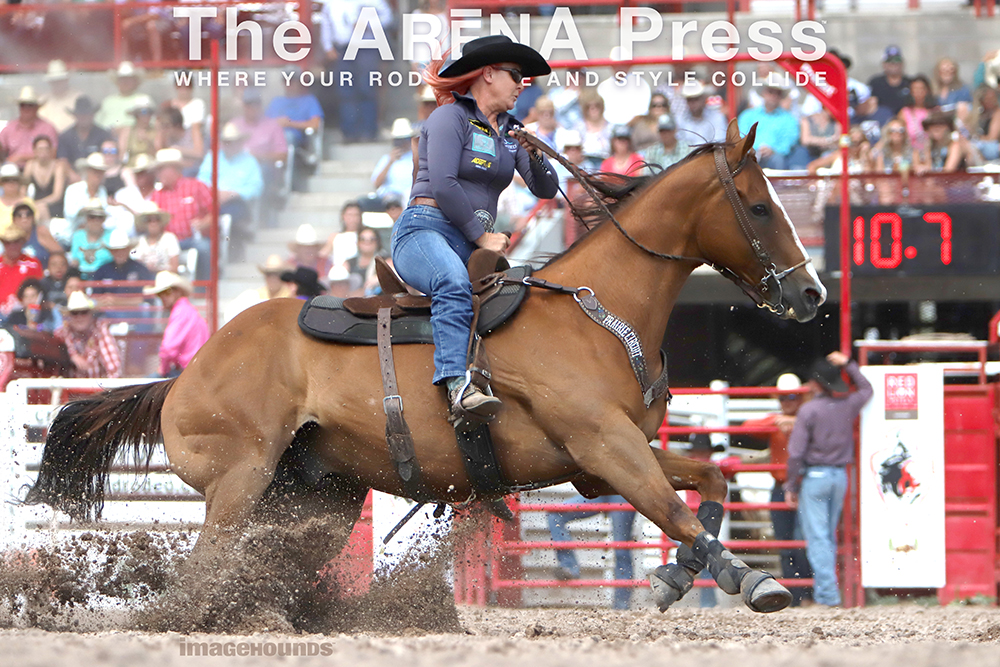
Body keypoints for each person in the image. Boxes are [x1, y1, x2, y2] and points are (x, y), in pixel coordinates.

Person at [395, 34, 558, 425]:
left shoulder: (509, 131)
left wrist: (534, 153)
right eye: (515, 74)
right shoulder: (449, 117)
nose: (523, 84)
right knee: (451, 282)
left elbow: (546, 189)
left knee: (517, 300)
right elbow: (444, 184)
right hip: (424, 230)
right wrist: (483, 236)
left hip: (469, 242)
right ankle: (456, 386)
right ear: (488, 74)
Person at [785, 351, 873, 608]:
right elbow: (867, 389)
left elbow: (796, 453)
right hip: (839, 476)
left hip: (815, 477)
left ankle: (828, 596)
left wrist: (791, 485)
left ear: (815, 384)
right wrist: (849, 364)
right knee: (829, 537)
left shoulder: (808, 410)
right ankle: (829, 592)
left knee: (818, 538)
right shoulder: (847, 405)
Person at [741, 373, 813, 606]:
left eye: (791, 397)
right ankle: (797, 595)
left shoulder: (809, 418)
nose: (787, 401)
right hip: (784, 485)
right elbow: (747, 427)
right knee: (785, 543)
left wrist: (795, 423)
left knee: (802, 543)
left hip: (805, 485)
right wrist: (777, 421)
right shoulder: (779, 420)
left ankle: (808, 592)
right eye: (783, 398)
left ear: (800, 398)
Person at [547, 494, 636, 609]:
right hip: (601, 491)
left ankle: (622, 606)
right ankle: (568, 566)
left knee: (621, 547)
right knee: (555, 514)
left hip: (622, 492)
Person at [196, 122, 263, 261]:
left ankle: (229, 252)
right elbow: (201, 178)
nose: (229, 145)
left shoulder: (249, 161)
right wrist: (213, 193)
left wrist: (233, 193)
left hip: (235, 202)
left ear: (240, 142)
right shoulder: (212, 157)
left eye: (232, 142)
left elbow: (256, 187)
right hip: (211, 199)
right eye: (226, 142)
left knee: (231, 214)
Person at [150, 148, 212, 280]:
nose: (158, 173)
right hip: (166, 241)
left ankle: (204, 290)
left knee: (204, 247)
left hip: (191, 239)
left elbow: (214, 213)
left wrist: (203, 223)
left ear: (174, 169)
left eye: (161, 169)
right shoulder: (157, 195)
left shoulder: (196, 186)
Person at [143, 271, 209, 377]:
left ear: (178, 292)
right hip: (195, 369)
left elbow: (168, 348)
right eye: (160, 294)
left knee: (146, 385)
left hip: (186, 371)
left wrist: (163, 369)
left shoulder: (180, 312)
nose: (163, 297)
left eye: (167, 292)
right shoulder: (189, 310)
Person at [53, 290, 122, 379]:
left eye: (84, 312)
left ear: (91, 314)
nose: (79, 317)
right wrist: (70, 356)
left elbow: (114, 369)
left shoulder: (100, 331)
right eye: (75, 313)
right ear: (69, 316)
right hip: (70, 390)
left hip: (97, 389)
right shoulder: (61, 334)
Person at [737, 84, 800, 170]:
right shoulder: (748, 115)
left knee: (778, 160)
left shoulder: (789, 119)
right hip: (749, 155)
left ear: (781, 97)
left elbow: (788, 141)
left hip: (774, 157)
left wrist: (773, 150)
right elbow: (741, 136)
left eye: (777, 93)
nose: (774, 96)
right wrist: (753, 150)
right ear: (764, 93)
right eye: (770, 92)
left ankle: (776, 183)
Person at [0, 87, 59, 168]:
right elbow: (1, 149)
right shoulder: (9, 128)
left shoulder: (47, 128)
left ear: (37, 107)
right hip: (13, 172)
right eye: (23, 105)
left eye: (30, 105)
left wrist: (22, 157)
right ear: (19, 107)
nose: (26, 109)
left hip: (40, 170)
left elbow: (52, 154)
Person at [57, 96, 114, 172]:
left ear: (93, 115)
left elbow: (109, 158)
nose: (83, 117)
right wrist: (74, 177)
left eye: (87, 114)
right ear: (75, 116)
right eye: (80, 114)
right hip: (73, 177)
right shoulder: (65, 137)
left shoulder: (103, 135)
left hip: (98, 174)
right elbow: (62, 160)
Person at [0, 223, 45, 317]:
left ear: (22, 242)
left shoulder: (32, 263)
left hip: (24, 313)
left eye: (16, 242)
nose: (12, 246)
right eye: (8, 242)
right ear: (3, 243)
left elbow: (39, 291)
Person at [22, 135, 68, 221]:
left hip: (54, 206)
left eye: (46, 148)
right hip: (35, 205)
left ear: (51, 150)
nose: (43, 152)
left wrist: (38, 204)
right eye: (40, 149)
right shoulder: (30, 165)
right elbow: (23, 189)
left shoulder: (58, 166)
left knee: (41, 209)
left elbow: (57, 195)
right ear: (34, 151)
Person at [95, 62, 148, 137]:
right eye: (122, 79)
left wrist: (125, 131)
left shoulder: (144, 100)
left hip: (134, 141)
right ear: (117, 81)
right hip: (107, 139)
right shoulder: (108, 101)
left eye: (128, 79)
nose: (125, 82)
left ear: (135, 81)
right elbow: (97, 123)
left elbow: (149, 124)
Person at [373, 119, 416, 202]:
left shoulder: (416, 157)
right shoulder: (387, 159)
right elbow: (377, 184)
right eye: (398, 140)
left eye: (404, 139)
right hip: (390, 197)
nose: (402, 143)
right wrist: (390, 161)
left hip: (410, 196)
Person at [10, 199, 62, 268]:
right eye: (19, 215)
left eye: (28, 214)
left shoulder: (40, 232)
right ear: (14, 220)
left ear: (33, 218)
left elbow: (59, 253)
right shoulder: (9, 237)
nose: (24, 218)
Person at [131, 202, 181, 274]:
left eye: (156, 219)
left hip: (166, 278)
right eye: (149, 220)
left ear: (160, 222)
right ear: (145, 223)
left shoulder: (169, 238)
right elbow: (137, 266)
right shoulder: (140, 241)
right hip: (146, 278)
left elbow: (174, 268)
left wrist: (157, 269)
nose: (153, 223)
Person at [69, 200, 113, 278]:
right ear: (86, 218)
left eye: (99, 217)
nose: (96, 221)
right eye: (92, 217)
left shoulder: (111, 235)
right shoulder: (78, 236)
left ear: (104, 219)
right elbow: (74, 259)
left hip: (104, 277)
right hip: (82, 277)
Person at [675, 80, 728, 144]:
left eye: (696, 99)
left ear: (703, 98)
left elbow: (720, 142)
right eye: (689, 100)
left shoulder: (717, 117)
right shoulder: (680, 120)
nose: (693, 103)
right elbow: (679, 144)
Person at [38, 59, 82, 134]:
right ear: (49, 82)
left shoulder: (78, 98)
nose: (57, 83)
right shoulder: (42, 101)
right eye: (54, 80)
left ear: (66, 80)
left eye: (60, 80)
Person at [867, 46, 912, 117]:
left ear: (902, 63)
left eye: (897, 60)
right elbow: (870, 106)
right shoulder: (875, 83)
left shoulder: (910, 83)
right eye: (890, 61)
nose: (893, 64)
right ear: (884, 64)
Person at [898, 75, 934, 154]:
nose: (918, 92)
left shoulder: (934, 111)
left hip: (931, 151)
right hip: (910, 152)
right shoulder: (904, 112)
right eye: (915, 89)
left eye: (921, 89)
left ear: (927, 90)